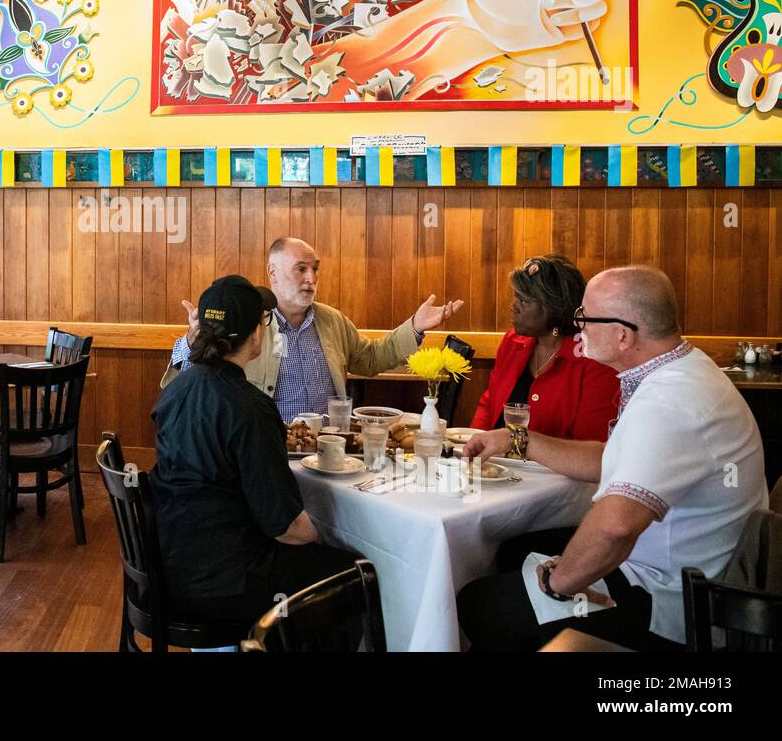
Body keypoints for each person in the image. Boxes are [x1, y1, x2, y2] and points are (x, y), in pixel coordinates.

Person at [456, 265, 767, 650]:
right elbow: (611, 458)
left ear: (623, 335)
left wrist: (557, 585)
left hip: (674, 596)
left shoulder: (668, 401)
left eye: (585, 318)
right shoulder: (683, 369)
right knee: (513, 548)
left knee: (478, 605)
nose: (577, 326)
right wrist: (518, 440)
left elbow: (617, 525)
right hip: (688, 564)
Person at [150, 274, 364, 625]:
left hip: (168, 566)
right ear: (256, 333)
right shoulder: (250, 408)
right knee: (356, 570)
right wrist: (342, 535)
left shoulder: (174, 391)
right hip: (226, 586)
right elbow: (287, 528)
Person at [161, 236, 463, 420]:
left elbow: (371, 359)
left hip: (330, 448)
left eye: (315, 268)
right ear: (273, 273)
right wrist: (190, 341)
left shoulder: (331, 320)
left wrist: (414, 327)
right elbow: (195, 381)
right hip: (269, 449)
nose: (311, 278)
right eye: (301, 269)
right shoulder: (249, 326)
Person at [470, 254, 618, 440]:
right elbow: (490, 402)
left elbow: (591, 446)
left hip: (555, 469)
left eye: (524, 301)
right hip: (496, 463)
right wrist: (475, 445)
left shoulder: (594, 361)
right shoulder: (513, 342)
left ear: (554, 309)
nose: (513, 307)